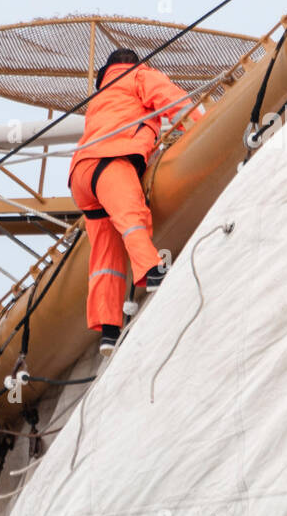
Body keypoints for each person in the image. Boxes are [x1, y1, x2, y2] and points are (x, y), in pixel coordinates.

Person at [68, 48, 203, 355]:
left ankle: (109, 330)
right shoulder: (140, 76)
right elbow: (173, 101)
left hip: (80, 175)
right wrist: (198, 125)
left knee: (105, 254)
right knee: (131, 217)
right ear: (134, 63)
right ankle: (152, 272)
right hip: (111, 161)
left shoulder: (99, 99)